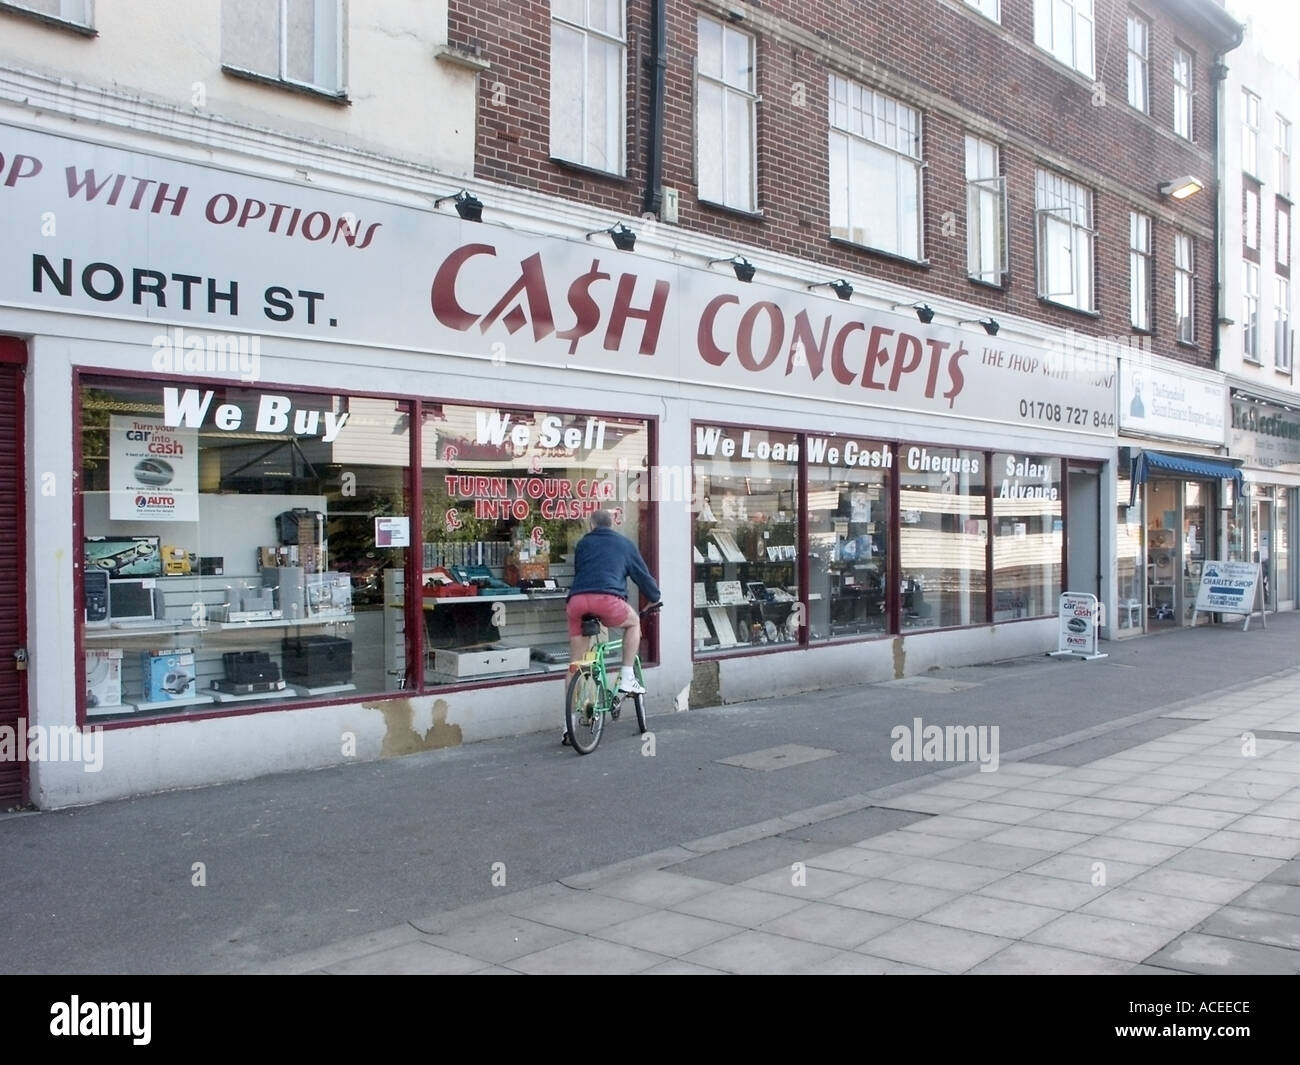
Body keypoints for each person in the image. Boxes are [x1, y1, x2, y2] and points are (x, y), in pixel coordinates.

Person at [565, 508, 660, 700]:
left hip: (577, 602)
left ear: (592, 524)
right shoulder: (625, 544)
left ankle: (569, 722)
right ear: (612, 523)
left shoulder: (583, 543)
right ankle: (627, 675)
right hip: (607, 600)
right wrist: (654, 596)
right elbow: (642, 576)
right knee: (633, 623)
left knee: (575, 663)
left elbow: (581, 571)